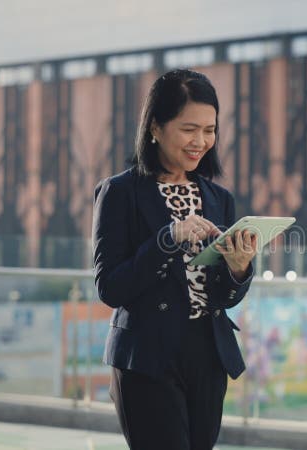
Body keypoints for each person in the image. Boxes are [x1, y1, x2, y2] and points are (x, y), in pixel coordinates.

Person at [92, 68, 258, 450]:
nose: (201, 141)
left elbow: (227, 296)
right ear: (155, 127)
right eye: (189, 129)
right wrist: (167, 239)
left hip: (207, 356)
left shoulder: (220, 198)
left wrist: (239, 268)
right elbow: (111, 287)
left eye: (210, 129)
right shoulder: (119, 192)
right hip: (148, 357)